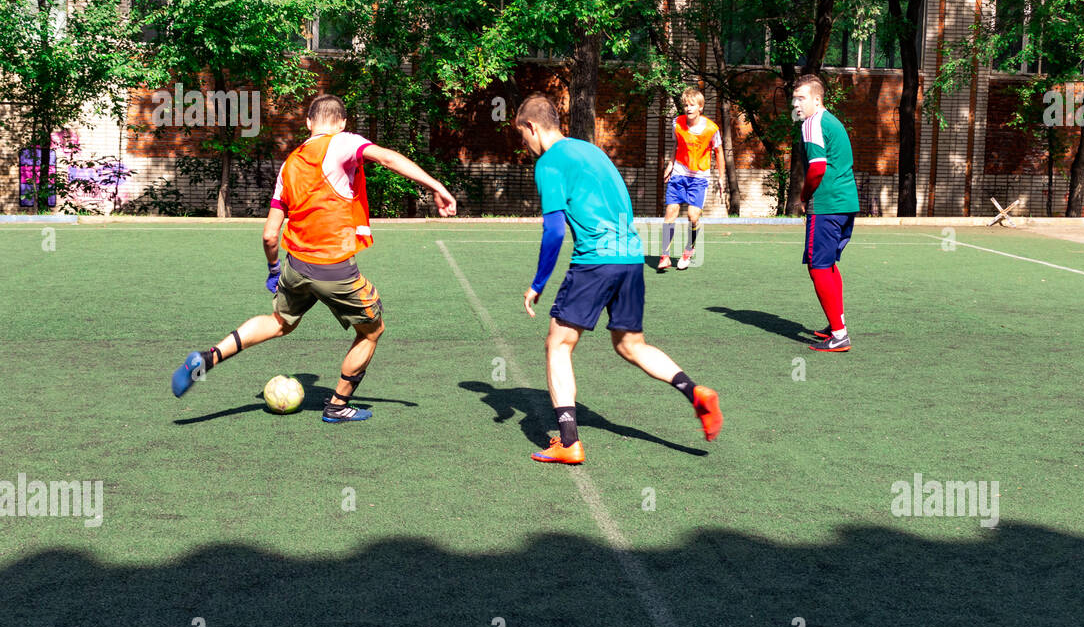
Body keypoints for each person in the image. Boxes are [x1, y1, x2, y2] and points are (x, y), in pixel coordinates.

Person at [170, 94, 457, 421]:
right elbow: (387, 158)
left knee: (279, 322)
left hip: (295, 265)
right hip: (333, 267)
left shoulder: (290, 163)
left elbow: (269, 234)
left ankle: (209, 358)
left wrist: (273, 269)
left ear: (308, 123)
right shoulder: (342, 142)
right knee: (372, 330)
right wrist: (436, 185)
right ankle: (337, 405)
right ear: (343, 123)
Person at [516, 92, 722, 464]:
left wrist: (538, 283)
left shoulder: (549, 163)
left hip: (596, 260)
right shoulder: (592, 151)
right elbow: (622, 200)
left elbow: (554, 231)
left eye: (523, 136)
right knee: (630, 345)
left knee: (558, 344)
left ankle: (569, 442)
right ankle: (695, 392)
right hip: (629, 257)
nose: (526, 145)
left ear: (532, 127)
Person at [792, 74, 859, 353]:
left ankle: (840, 335)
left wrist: (804, 196)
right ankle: (836, 324)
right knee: (829, 264)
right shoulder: (832, 120)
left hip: (827, 204)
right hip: (846, 203)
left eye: (802, 98)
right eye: (794, 98)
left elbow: (818, 167)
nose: (796, 104)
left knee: (818, 266)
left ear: (817, 100)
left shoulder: (812, 123)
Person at [658, 87, 727, 271]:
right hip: (679, 173)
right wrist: (670, 164)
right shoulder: (677, 123)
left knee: (692, 216)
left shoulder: (712, 129)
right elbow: (676, 144)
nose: (688, 108)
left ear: (700, 107)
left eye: (692, 105)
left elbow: (719, 152)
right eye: (686, 105)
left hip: (699, 177)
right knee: (671, 212)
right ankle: (665, 255)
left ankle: (689, 249)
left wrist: (721, 177)